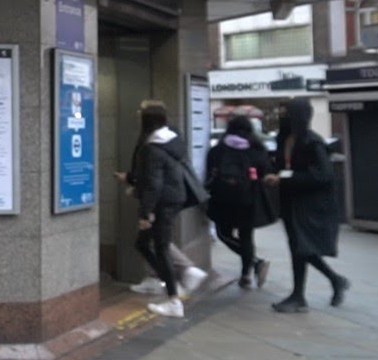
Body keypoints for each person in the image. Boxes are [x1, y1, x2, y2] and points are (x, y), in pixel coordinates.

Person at [266, 97, 349, 313]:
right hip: (292, 203)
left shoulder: (312, 142)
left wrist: (285, 179)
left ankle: (301, 294)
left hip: (310, 205)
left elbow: (323, 175)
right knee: (299, 248)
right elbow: (283, 165)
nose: (281, 117)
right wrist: (274, 174)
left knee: (302, 248)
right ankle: (327, 283)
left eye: (286, 113)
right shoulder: (285, 139)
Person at [116, 101, 190, 318]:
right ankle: (164, 282)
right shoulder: (171, 140)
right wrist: (132, 180)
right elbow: (154, 177)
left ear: (146, 121)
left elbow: (154, 183)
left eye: (141, 114)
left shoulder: (152, 148)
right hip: (173, 198)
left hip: (163, 203)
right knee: (143, 243)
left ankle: (174, 299)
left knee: (162, 247)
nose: (137, 115)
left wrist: (145, 214)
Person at [205, 114, 273, 289]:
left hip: (223, 199)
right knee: (246, 236)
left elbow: (210, 171)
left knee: (223, 233)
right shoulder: (256, 148)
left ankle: (256, 263)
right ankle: (246, 275)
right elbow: (265, 170)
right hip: (249, 199)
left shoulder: (219, 149)